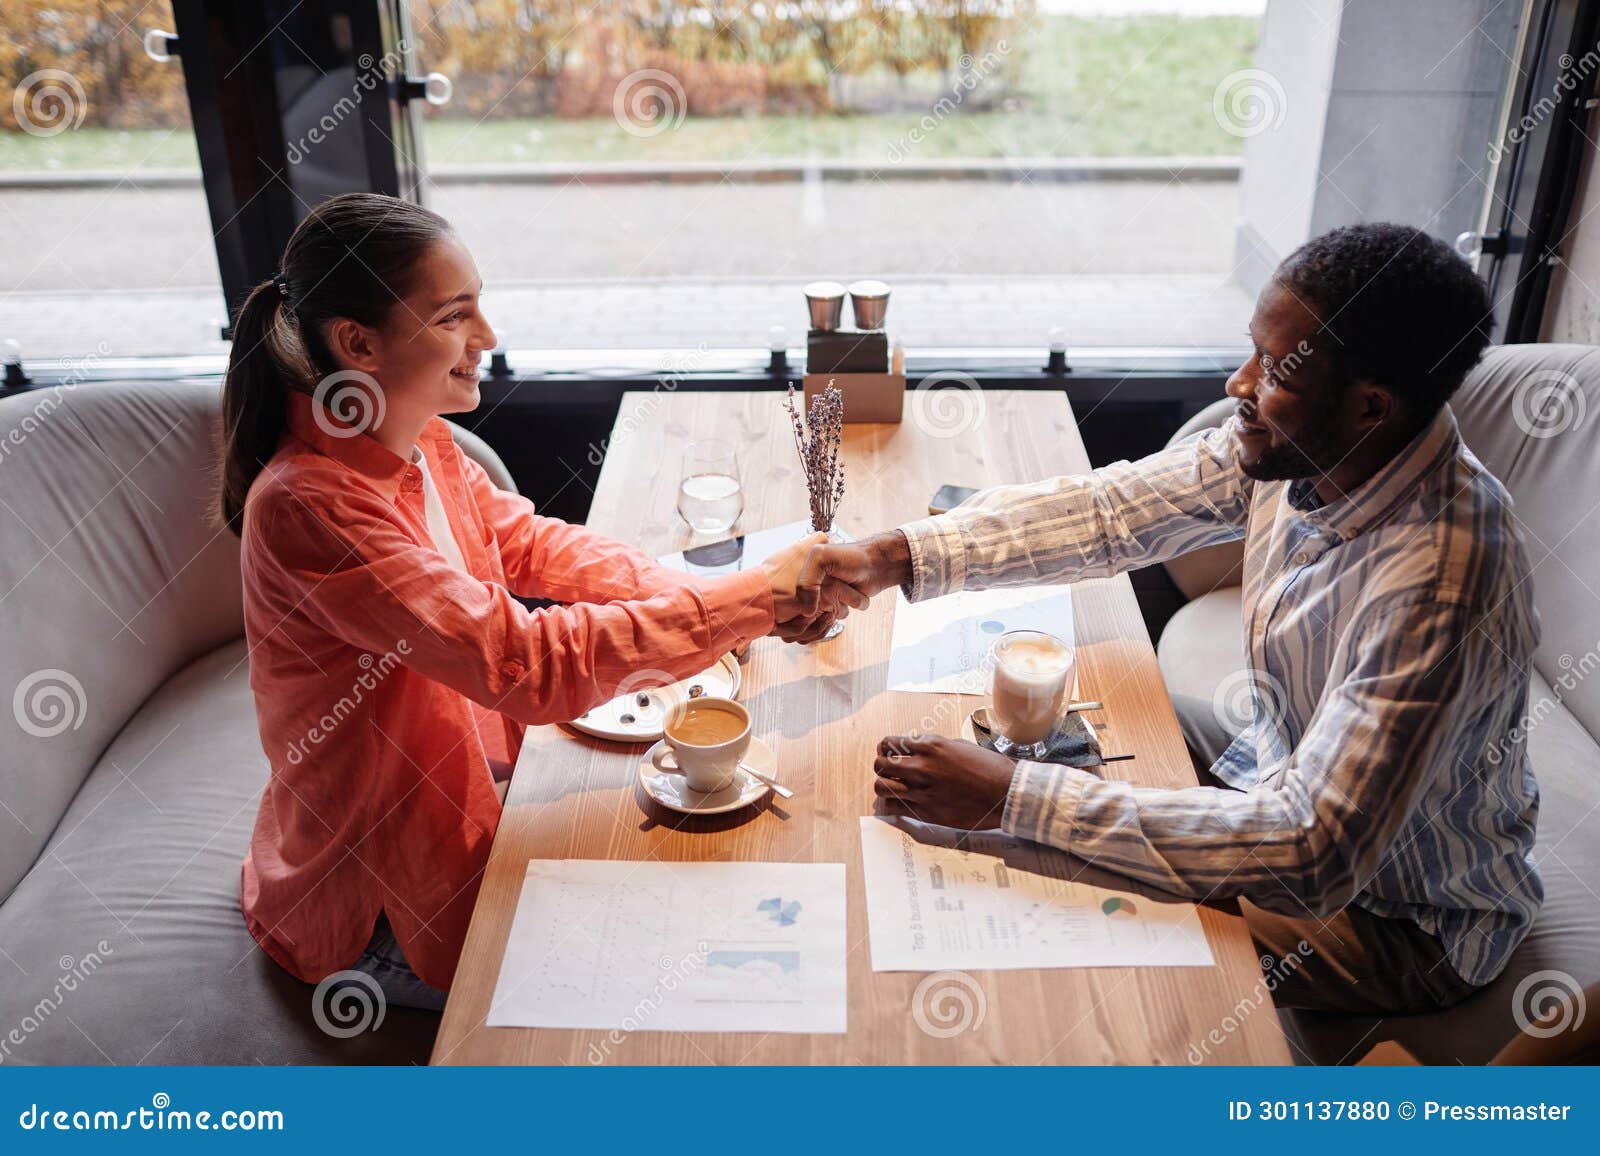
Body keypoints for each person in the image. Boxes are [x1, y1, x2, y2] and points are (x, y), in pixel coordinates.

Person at [796, 223, 1542, 1015]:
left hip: (1395, 921)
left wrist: (1013, 799)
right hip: (1277, 764)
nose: (1238, 384)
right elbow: (1111, 514)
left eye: (1276, 370)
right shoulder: (1315, 451)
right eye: (1253, 349)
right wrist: (887, 559)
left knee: (1061, 913)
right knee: (1073, 750)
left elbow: (1313, 855)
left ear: (1370, 406)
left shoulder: (1438, 586)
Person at [219, 193, 859, 1010]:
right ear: (358, 344)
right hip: (383, 911)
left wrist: (711, 597)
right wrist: (751, 602)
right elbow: (523, 664)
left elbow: (532, 545)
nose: (486, 337)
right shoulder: (313, 508)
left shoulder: (417, 440)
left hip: (477, 788)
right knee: (685, 974)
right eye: (456, 316)